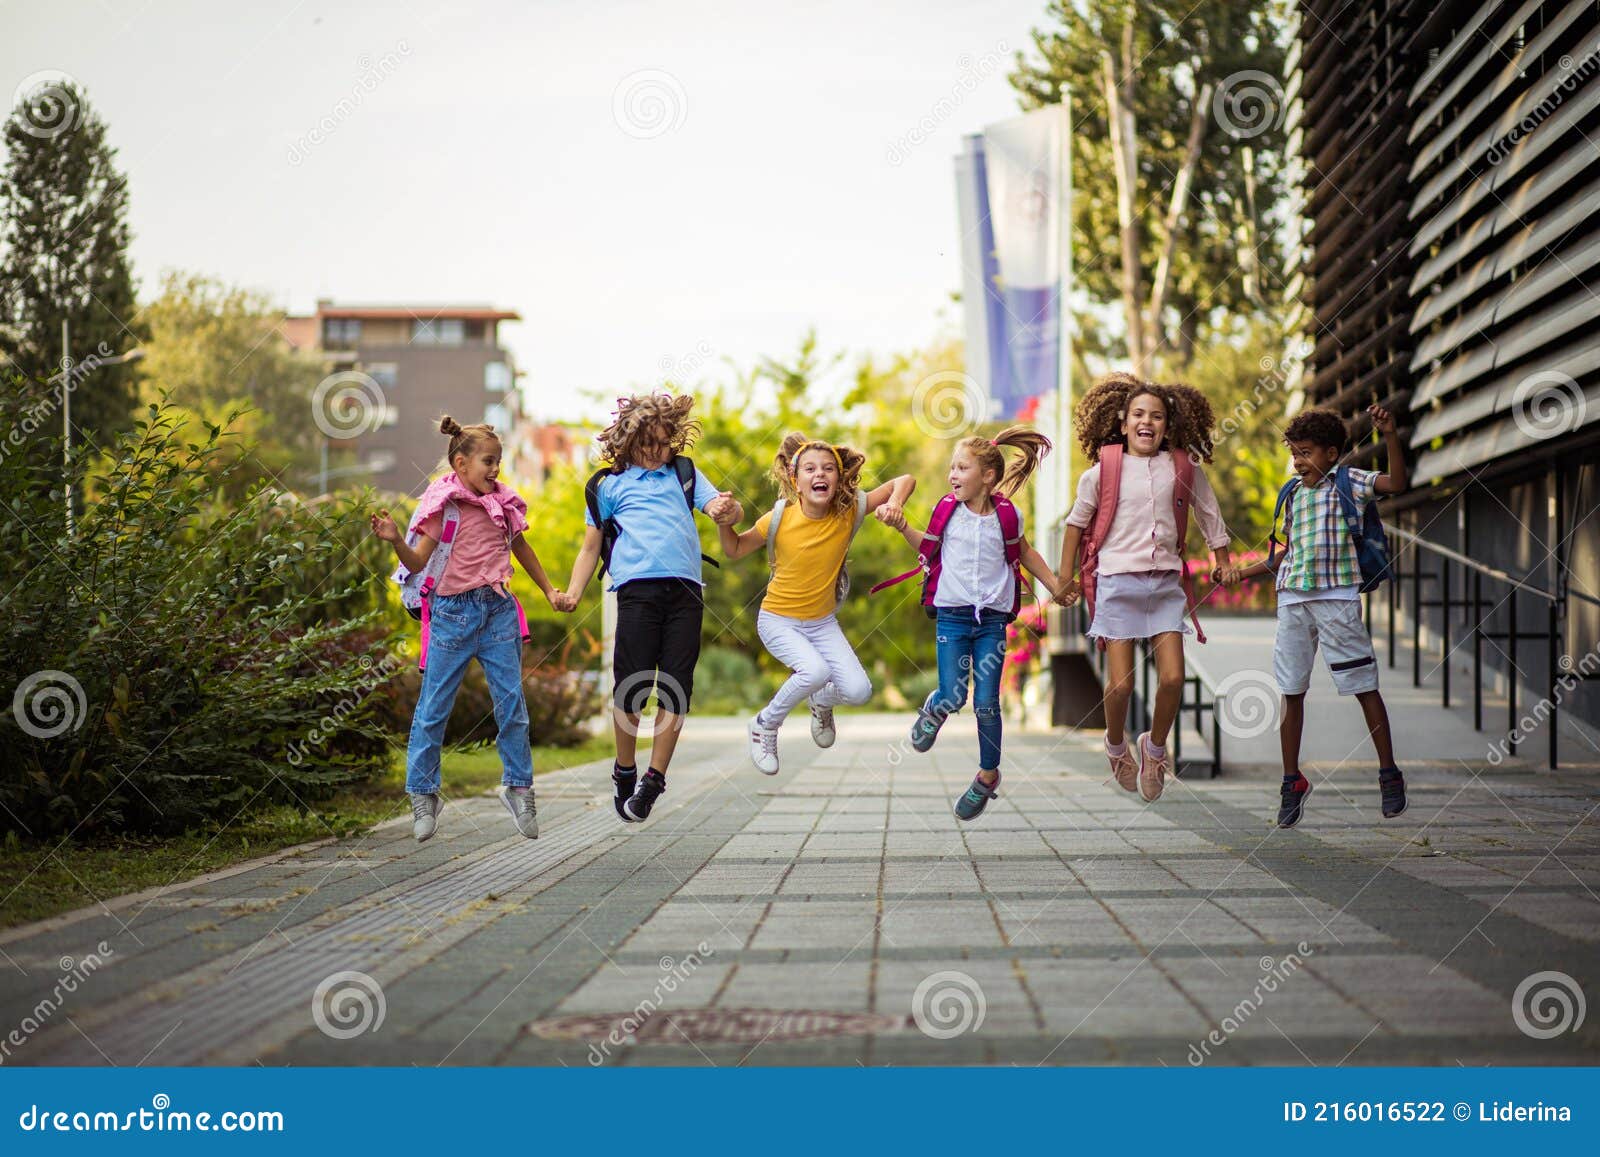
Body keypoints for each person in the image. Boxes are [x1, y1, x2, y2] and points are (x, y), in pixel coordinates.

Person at [371, 416, 561, 842]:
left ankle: (518, 787)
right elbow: (417, 562)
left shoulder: (503, 505)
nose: (495, 470)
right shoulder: (445, 507)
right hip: (452, 616)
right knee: (433, 708)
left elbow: (522, 549)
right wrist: (394, 539)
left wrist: (549, 590)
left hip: (497, 612)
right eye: (488, 461)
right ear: (461, 463)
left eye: (498, 461)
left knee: (512, 706)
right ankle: (423, 793)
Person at [556, 393, 741, 823]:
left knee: (677, 686)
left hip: (686, 593)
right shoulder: (607, 486)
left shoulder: (684, 474)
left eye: (663, 442)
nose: (657, 452)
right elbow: (589, 549)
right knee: (633, 686)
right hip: (636, 593)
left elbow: (718, 507)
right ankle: (625, 768)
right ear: (626, 442)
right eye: (647, 444)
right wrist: (572, 592)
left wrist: (724, 509)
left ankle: (654, 779)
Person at [1221, 404, 1409, 827]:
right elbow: (1286, 553)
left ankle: (1389, 773)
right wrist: (1241, 573)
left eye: (1305, 452)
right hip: (1292, 598)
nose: (1297, 461)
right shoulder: (1291, 493)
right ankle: (1292, 781)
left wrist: (1390, 435)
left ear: (1330, 452)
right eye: (1293, 452)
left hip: (1338, 597)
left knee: (1363, 683)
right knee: (1291, 689)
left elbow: (1397, 482)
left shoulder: (1351, 482)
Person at [1055, 374, 1234, 801]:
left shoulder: (1182, 468)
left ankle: (1154, 749)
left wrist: (1222, 561)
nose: (1146, 421)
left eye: (1156, 416)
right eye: (1138, 414)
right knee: (1121, 686)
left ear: (1168, 427)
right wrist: (1065, 579)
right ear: (1122, 423)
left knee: (1172, 678)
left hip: (1165, 584)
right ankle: (1116, 744)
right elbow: (1075, 525)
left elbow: (1209, 512)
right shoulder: (1102, 471)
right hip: (1117, 582)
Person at [718, 433, 915, 775]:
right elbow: (734, 549)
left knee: (858, 691)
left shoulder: (850, 510)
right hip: (778, 619)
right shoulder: (778, 518)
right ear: (795, 480)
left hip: (822, 622)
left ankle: (821, 701)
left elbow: (906, 480)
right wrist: (723, 524)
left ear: (839, 480)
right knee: (816, 670)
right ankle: (764, 724)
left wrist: (895, 502)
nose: (819, 474)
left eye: (828, 468)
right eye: (809, 469)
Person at [892, 428, 1060, 819]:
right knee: (953, 696)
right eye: (952, 467)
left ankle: (987, 777)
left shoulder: (1008, 515)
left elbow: (1026, 552)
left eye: (961, 467)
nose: (952, 474)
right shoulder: (946, 510)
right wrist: (902, 526)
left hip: (991, 623)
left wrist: (1053, 585)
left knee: (986, 702)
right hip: (952, 615)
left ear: (987, 476)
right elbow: (927, 547)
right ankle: (935, 709)